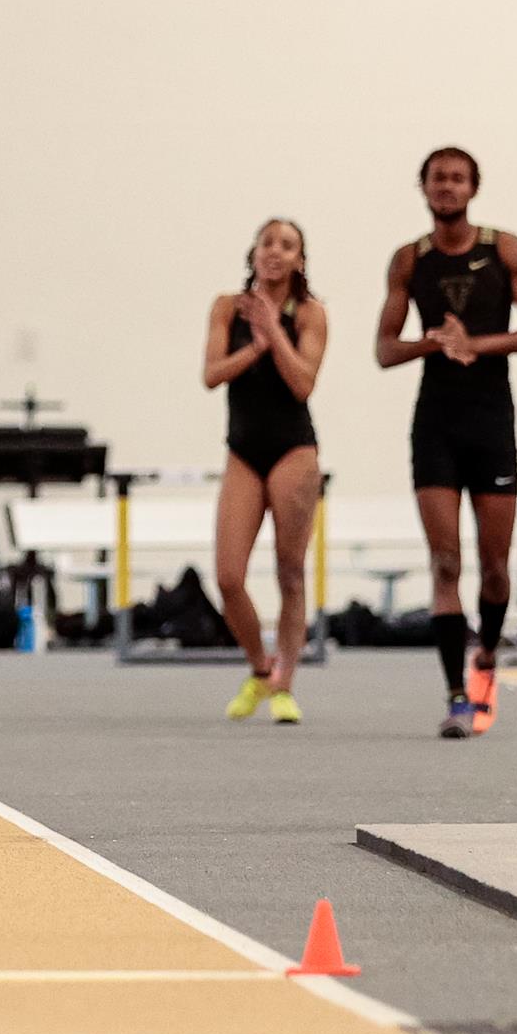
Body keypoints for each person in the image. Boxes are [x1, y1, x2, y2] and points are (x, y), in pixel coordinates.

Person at [376, 147, 517, 739]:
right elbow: (384, 350)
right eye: (437, 179)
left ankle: (487, 657)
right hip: (435, 424)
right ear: (423, 187)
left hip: (491, 423)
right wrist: (434, 343)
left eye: (457, 179)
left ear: (473, 188)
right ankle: (457, 696)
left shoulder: (504, 249)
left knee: (495, 569)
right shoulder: (409, 260)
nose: (447, 187)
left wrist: (476, 344)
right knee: (446, 561)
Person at [203, 219, 328, 725]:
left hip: (293, 450)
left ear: (300, 259)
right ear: (253, 252)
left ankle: (286, 685)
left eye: (288, 245)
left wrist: (274, 330)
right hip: (243, 451)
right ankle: (260, 668)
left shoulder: (311, 313)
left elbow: (303, 384)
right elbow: (211, 375)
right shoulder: (226, 307)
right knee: (229, 576)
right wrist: (252, 345)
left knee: (290, 572)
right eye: (267, 243)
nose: (275, 251)